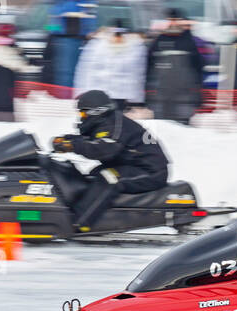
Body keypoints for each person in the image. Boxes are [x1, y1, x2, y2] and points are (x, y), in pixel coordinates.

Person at [40, 90, 170, 231]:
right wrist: (66, 140)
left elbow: (104, 149)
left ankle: (80, 223)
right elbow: (89, 140)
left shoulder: (115, 125)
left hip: (150, 171)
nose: (81, 117)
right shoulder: (106, 122)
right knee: (92, 176)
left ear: (97, 111)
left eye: (83, 113)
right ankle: (85, 212)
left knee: (109, 178)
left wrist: (72, 145)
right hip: (131, 165)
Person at [146, 9, 205, 124]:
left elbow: (198, 68)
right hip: (161, 96)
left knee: (182, 128)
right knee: (161, 128)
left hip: (184, 96)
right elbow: (149, 67)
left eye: (176, 20)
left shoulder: (189, 42)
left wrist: (198, 93)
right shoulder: (159, 41)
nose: (173, 23)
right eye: (170, 20)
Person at [74, 19, 147, 109]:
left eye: (120, 34)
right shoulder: (97, 46)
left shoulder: (134, 48)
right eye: (115, 34)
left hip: (120, 95)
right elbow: (86, 69)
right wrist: (82, 92)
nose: (117, 37)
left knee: (117, 119)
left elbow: (137, 74)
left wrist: (137, 99)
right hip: (99, 94)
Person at [45, 0, 96, 89]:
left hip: (84, 42)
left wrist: (89, 32)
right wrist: (60, 31)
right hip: (64, 42)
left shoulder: (89, 2)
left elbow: (92, 23)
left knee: (83, 73)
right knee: (65, 73)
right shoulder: (59, 2)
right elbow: (49, 26)